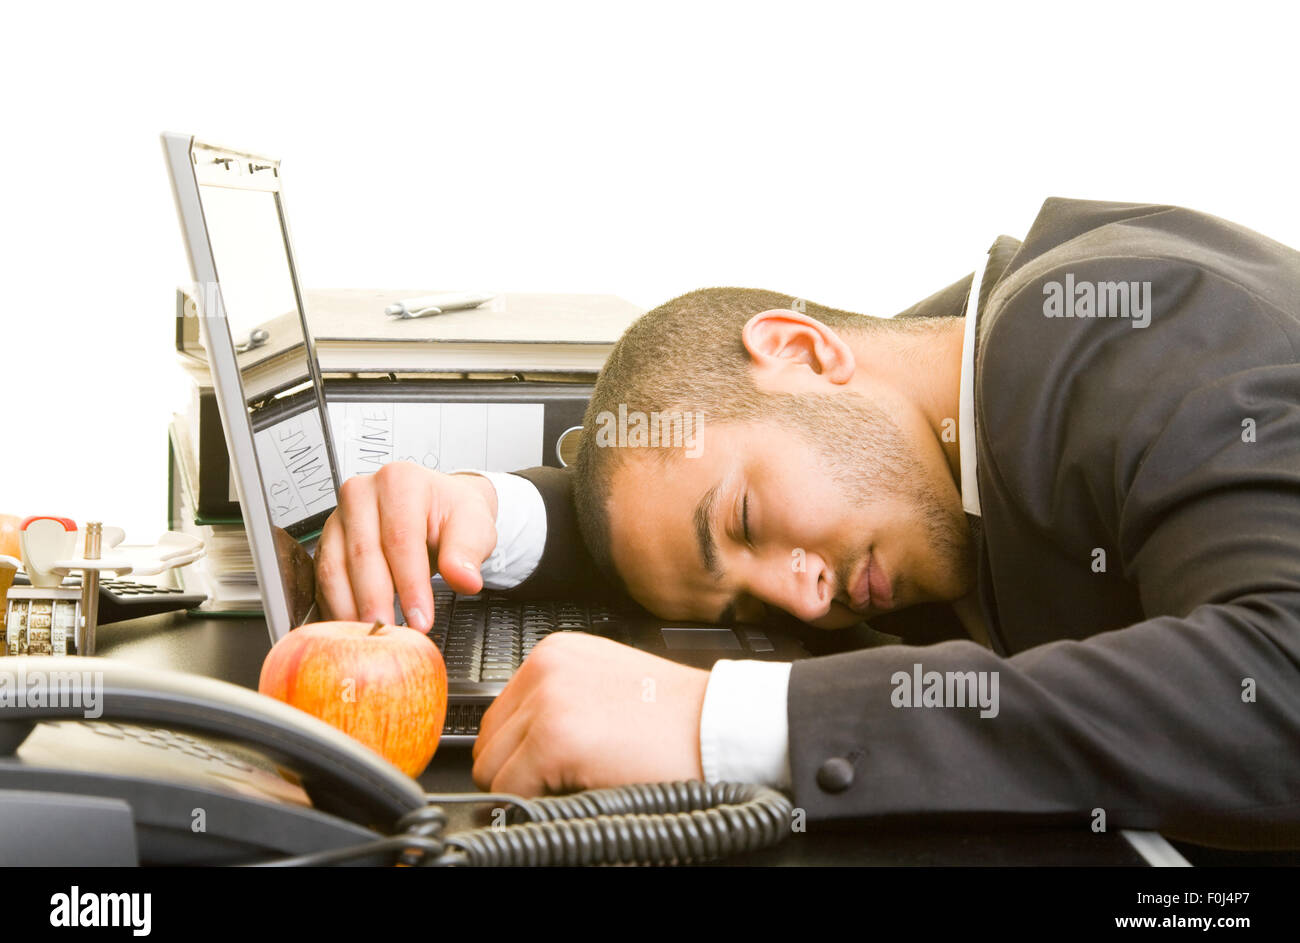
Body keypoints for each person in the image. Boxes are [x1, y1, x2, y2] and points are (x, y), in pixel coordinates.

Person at [315, 198, 1300, 848]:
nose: (802, 599)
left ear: (798, 349)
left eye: (746, 522)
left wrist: (731, 720)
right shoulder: (929, 393)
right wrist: (494, 515)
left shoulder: (1149, 328)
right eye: (745, 601)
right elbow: (690, 504)